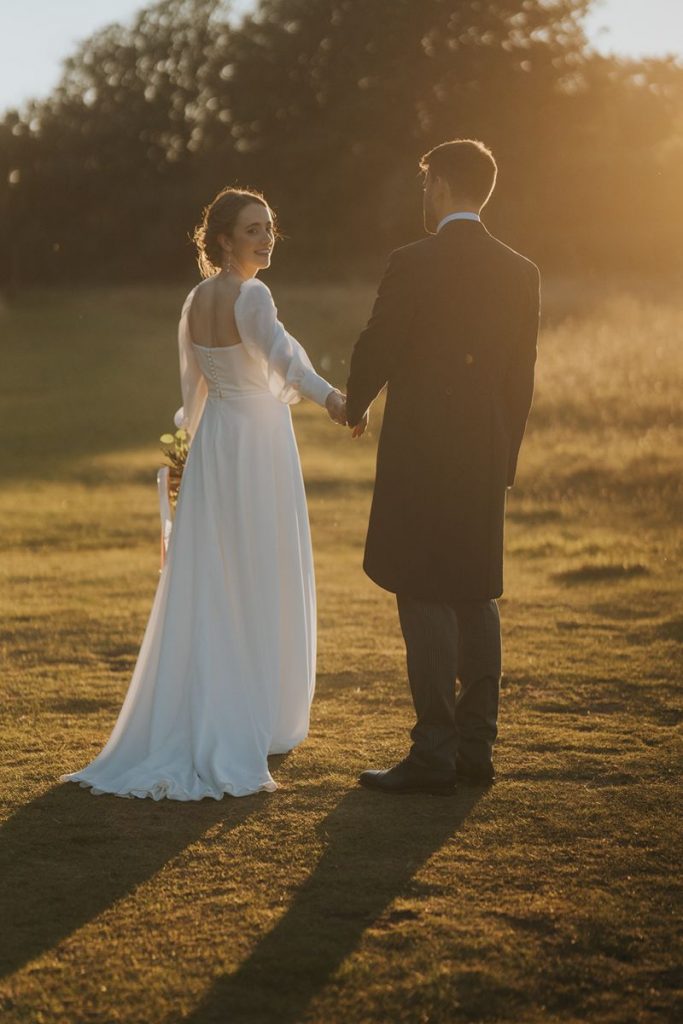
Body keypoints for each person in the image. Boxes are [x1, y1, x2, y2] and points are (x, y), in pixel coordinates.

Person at [61, 187, 346, 800]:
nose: (266, 239)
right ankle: (258, 714)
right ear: (222, 240)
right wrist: (336, 402)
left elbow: (193, 392)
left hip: (218, 443)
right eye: (252, 230)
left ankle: (228, 704)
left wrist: (185, 452)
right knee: (260, 568)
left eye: (269, 227)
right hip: (258, 443)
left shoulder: (195, 300)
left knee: (221, 572)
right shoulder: (253, 294)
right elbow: (287, 362)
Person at [346, 139, 540, 794]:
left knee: (423, 591)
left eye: (426, 181)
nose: (422, 192)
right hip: (483, 454)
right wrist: (501, 458)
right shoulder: (521, 270)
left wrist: (352, 404)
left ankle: (432, 752)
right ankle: (475, 750)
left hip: (420, 453)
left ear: (443, 187)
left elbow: (380, 342)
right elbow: (521, 379)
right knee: (475, 592)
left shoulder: (412, 261)